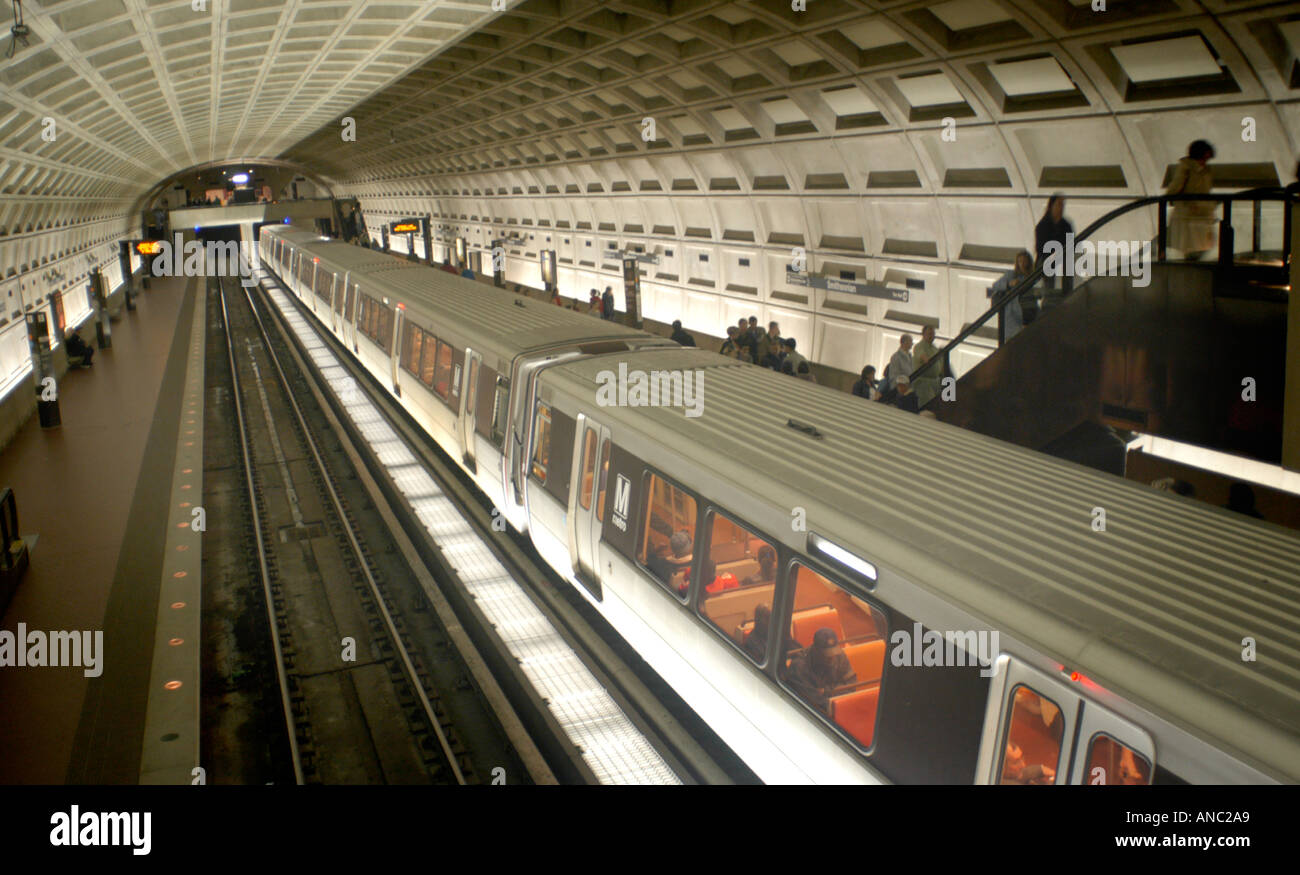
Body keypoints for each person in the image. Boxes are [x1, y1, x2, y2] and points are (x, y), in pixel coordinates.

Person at [786, 627, 857, 716]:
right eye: (827, 654)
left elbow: (852, 685)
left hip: (840, 707)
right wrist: (838, 694)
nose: (832, 658)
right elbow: (817, 703)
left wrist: (826, 691)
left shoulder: (839, 656)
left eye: (834, 652)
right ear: (816, 650)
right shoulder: (799, 667)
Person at [1166, 140, 1216, 261]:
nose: (1205, 161)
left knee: (1201, 245)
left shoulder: (1205, 170)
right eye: (1204, 157)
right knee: (1193, 246)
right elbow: (1175, 187)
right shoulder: (1186, 168)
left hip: (1202, 214)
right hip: (1190, 214)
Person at [989, 250, 1036, 341]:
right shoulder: (1011, 274)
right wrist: (1009, 284)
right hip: (1012, 314)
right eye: (1020, 261)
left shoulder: (1032, 277)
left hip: (1028, 312)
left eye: (1024, 261)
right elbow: (995, 285)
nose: (1022, 264)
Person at [1035, 194, 1072, 302]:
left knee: (1068, 267)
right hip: (1047, 258)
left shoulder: (1066, 225)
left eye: (1062, 205)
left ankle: (1067, 298)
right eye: (1059, 205)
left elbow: (1071, 244)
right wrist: (1054, 253)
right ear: (1051, 206)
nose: (1061, 208)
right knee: (1048, 274)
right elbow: (1040, 249)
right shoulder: (1042, 226)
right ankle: (1048, 301)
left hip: (1062, 257)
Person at [911, 325, 943, 406]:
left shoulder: (934, 348)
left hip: (935, 382)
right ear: (923, 334)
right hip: (923, 383)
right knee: (927, 405)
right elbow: (924, 358)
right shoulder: (919, 346)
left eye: (933, 334)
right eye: (929, 334)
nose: (932, 336)